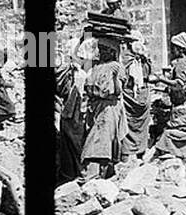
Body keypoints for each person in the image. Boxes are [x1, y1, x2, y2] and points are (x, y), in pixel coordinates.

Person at [150, 34, 186, 160]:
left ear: (180, 49)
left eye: (174, 48)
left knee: (181, 126)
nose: (172, 51)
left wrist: (160, 79)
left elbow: (179, 83)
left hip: (184, 98)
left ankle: (182, 153)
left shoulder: (181, 63)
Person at [81, 40, 124, 179]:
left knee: (104, 138)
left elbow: (118, 91)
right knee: (94, 137)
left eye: (106, 50)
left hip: (109, 107)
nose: (102, 52)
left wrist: (116, 80)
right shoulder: (97, 66)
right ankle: (97, 172)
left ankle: (102, 172)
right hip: (96, 107)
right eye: (101, 49)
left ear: (112, 52)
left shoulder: (116, 67)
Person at [56, 55, 89, 184]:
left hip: (68, 112)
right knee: (76, 144)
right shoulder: (79, 74)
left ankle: (69, 173)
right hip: (75, 113)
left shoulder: (64, 73)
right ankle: (77, 172)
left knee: (68, 144)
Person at [120, 33, 152, 159]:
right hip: (141, 95)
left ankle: (127, 155)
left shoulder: (125, 59)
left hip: (130, 95)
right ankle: (139, 154)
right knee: (139, 127)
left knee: (128, 125)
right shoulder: (144, 59)